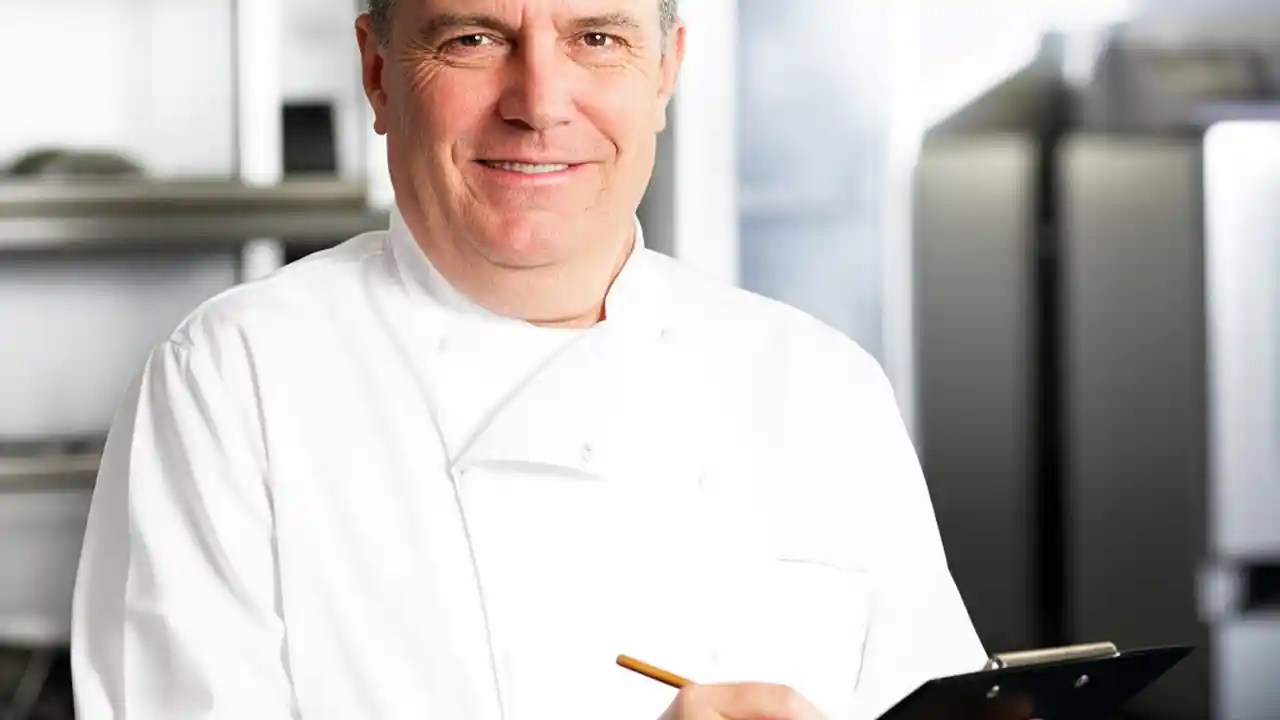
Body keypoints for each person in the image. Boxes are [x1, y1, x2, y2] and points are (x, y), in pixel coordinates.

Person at [71, 0, 986, 717]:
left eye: (597, 37)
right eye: (473, 39)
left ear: (666, 72)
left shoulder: (823, 388)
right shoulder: (233, 384)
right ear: (378, 72)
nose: (540, 103)